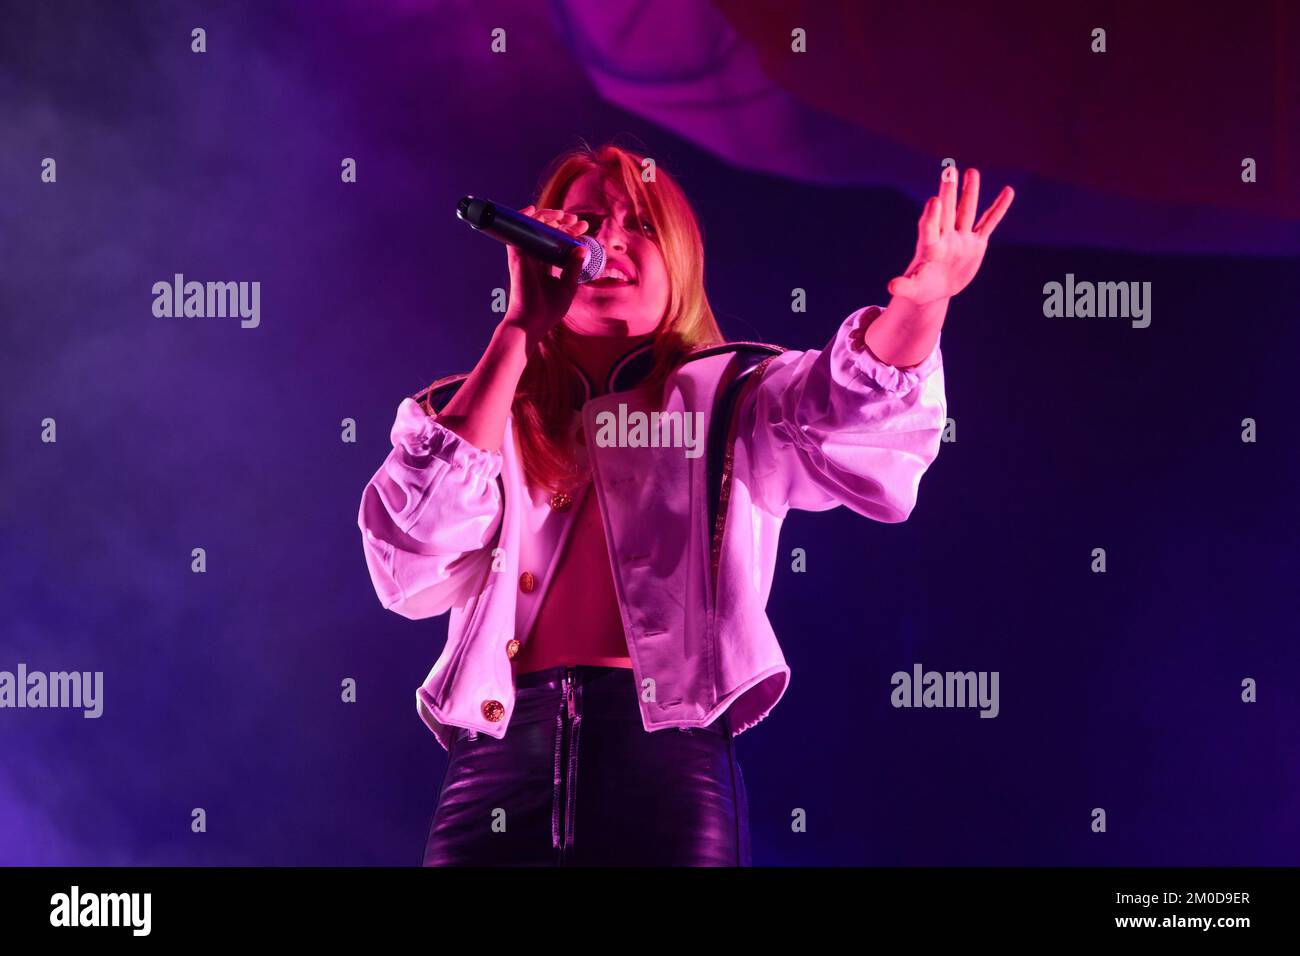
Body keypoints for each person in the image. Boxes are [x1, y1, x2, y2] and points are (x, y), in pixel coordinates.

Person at [357, 142, 1013, 866]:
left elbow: (852, 417)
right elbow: (409, 567)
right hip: (495, 770)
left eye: (635, 223)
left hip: (661, 772)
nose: (604, 239)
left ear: (681, 258)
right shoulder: (483, 417)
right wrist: (518, 330)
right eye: (579, 220)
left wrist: (919, 306)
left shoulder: (737, 395)